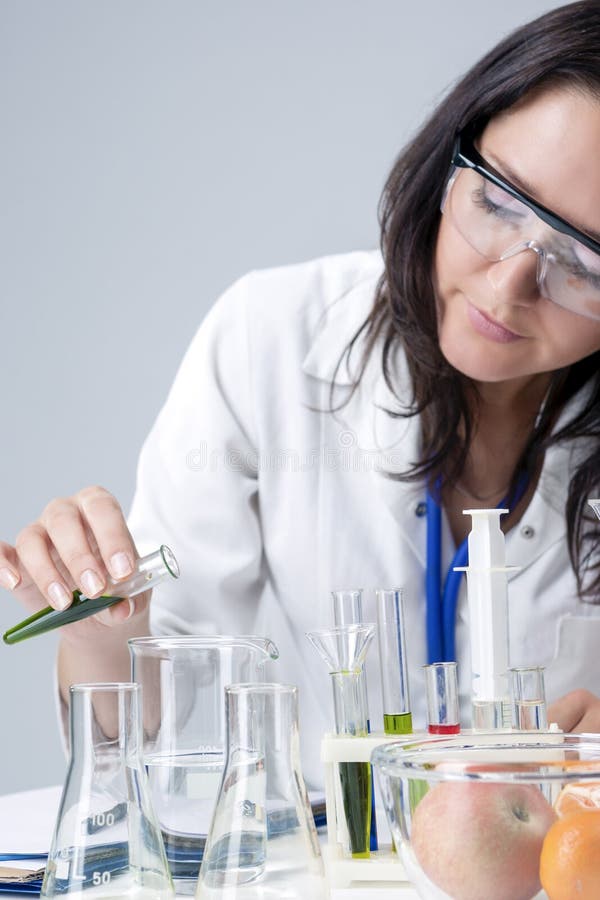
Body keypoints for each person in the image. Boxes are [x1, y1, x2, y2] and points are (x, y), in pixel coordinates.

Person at [1, 0, 599, 787]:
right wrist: (104, 625)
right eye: (497, 201)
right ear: (447, 164)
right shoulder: (271, 338)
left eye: (585, 259)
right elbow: (137, 741)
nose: (511, 283)